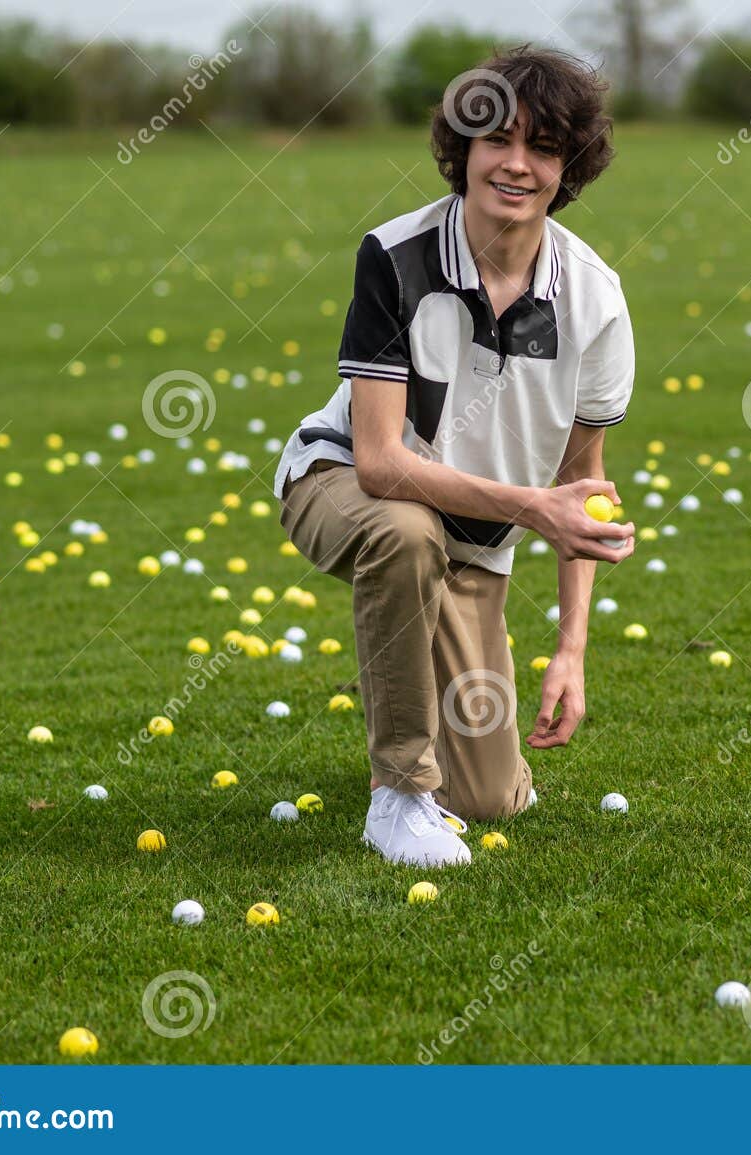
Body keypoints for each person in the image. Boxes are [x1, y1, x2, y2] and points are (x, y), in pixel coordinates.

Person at [276, 45, 636, 868]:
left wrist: (571, 651)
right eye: (496, 140)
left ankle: (425, 737)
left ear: (568, 169)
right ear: (461, 150)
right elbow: (377, 462)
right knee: (404, 531)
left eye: (544, 148)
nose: (516, 165)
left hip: (474, 536)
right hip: (338, 479)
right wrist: (531, 507)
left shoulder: (596, 299)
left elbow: (583, 488)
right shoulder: (394, 257)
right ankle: (397, 794)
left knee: (487, 797)